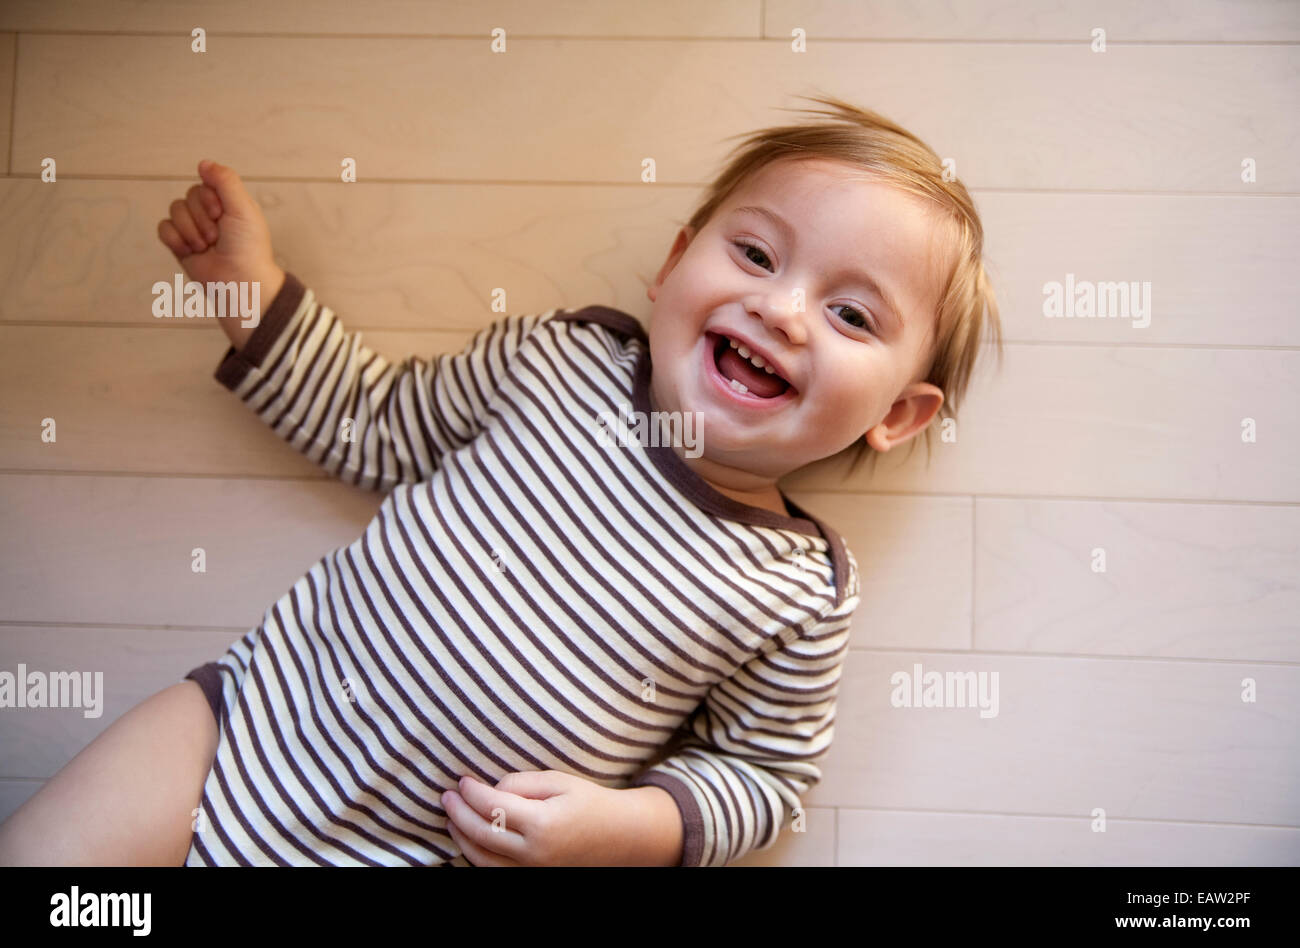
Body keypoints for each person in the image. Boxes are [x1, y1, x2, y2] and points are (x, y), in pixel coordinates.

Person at [0, 93, 1001, 866]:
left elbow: (765, 776)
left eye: (851, 316)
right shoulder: (560, 359)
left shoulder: (795, 585)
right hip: (246, 727)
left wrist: (625, 826)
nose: (782, 311)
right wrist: (249, 294)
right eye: (753, 253)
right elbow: (377, 422)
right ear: (673, 262)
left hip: (428, 847)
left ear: (896, 414)